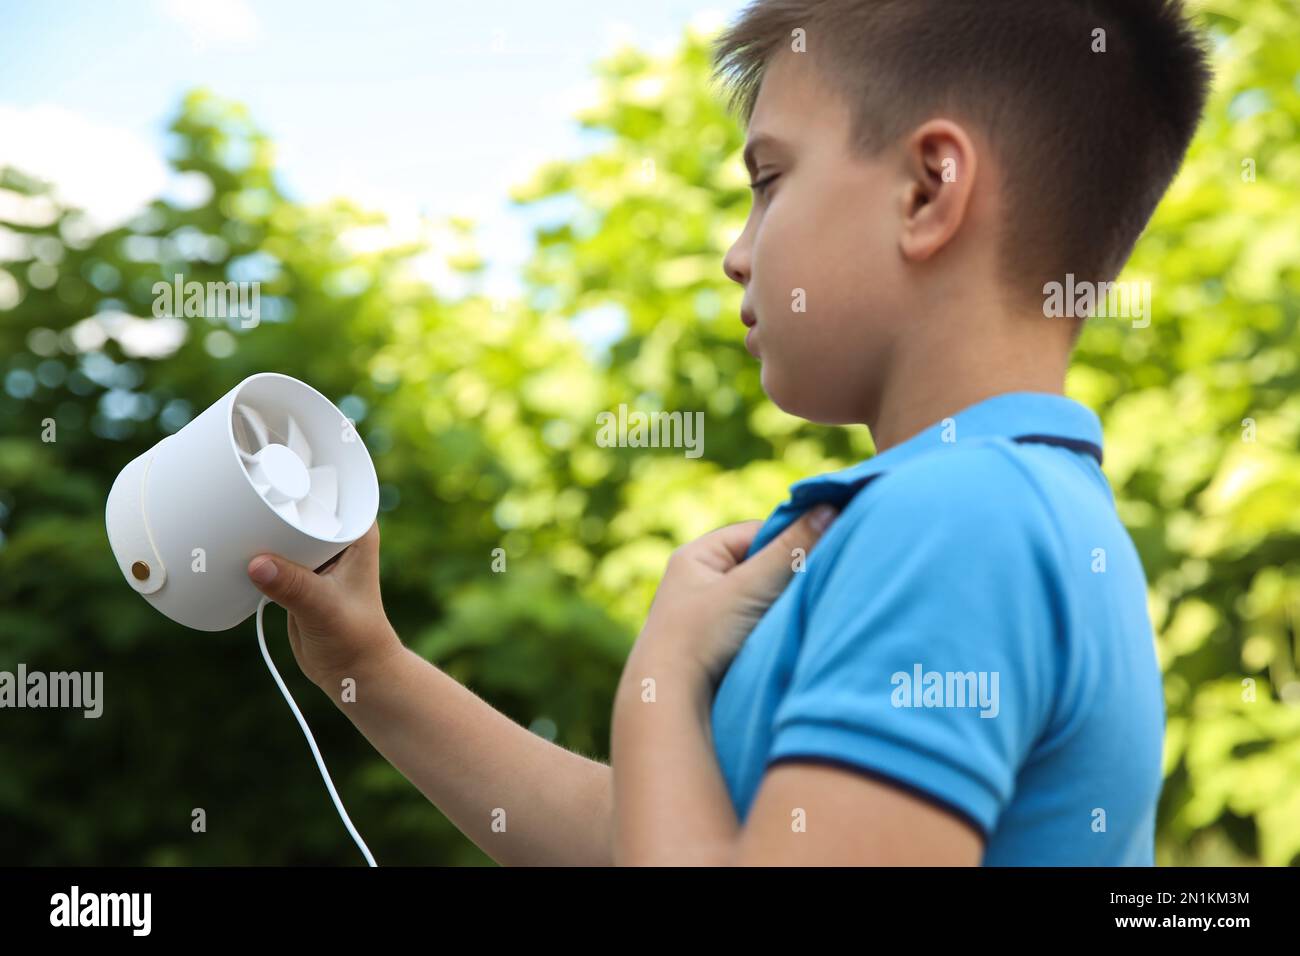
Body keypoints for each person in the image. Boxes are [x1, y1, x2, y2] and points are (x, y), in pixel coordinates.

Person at [247, 0, 1212, 865]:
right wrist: (366, 667)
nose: (735, 254)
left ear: (928, 190)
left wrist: (663, 669)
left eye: (768, 178)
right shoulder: (1013, 514)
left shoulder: (957, 521)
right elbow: (643, 845)